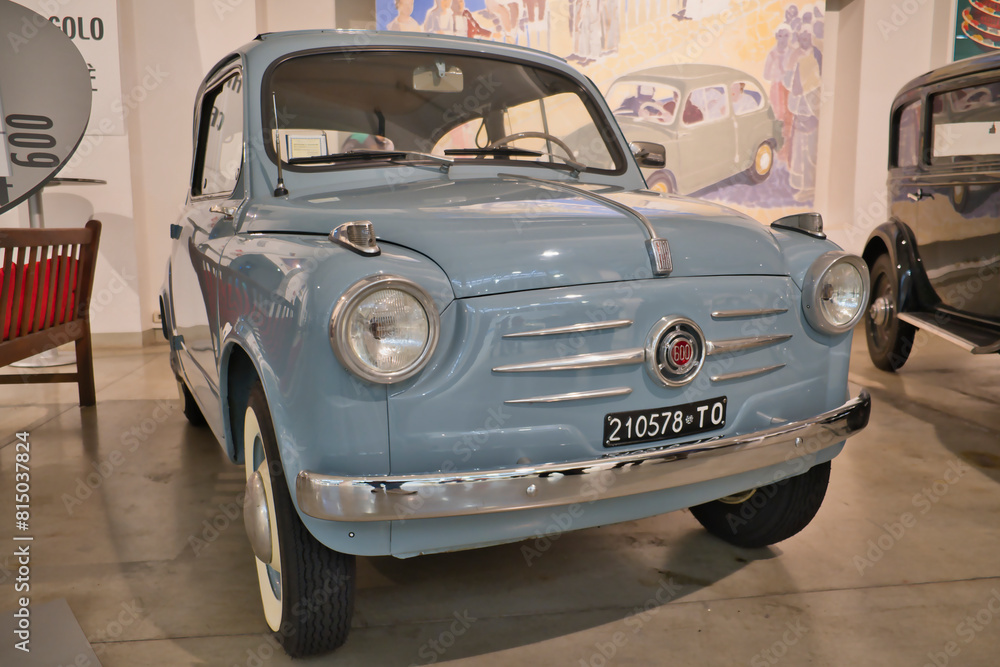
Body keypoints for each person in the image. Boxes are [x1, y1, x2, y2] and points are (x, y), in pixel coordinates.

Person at [786, 28, 822, 202]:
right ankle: (803, 186)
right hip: (801, 119)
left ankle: (810, 187)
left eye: (807, 37)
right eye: (801, 38)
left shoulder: (816, 60)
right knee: (800, 153)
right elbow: (794, 91)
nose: (804, 40)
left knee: (811, 153)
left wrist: (812, 118)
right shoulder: (799, 61)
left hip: (813, 120)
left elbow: (817, 97)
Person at [764, 23, 793, 161]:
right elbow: (766, 75)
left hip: (790, 89)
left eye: (786, 36)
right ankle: (777, 151)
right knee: (777, 118)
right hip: (776, 89)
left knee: (789, 118)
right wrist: (777, 76)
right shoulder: (772, 54)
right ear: (776, 37)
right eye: (780, 36)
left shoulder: (793, 53)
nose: (783, 39)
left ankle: (787, 151)